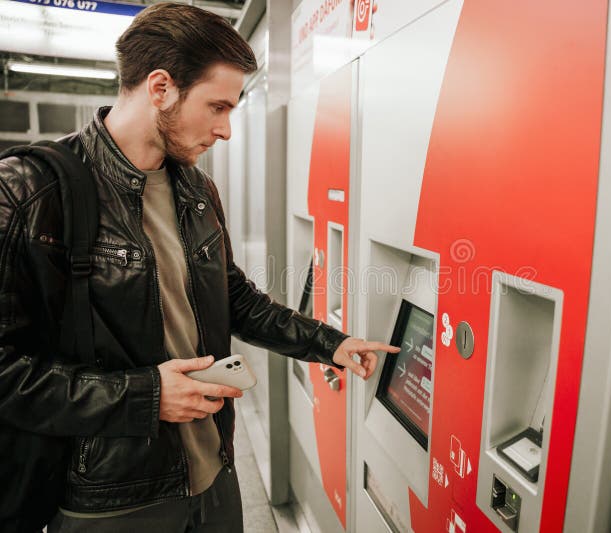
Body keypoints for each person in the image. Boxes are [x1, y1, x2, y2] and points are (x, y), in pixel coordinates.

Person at [0, 4, 398, 532]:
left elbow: (233, 298)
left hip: (213, 472)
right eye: (217, 107)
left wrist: (328, 343)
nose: (226, 130)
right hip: (113, 498)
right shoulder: (31, 192)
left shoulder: (194, 189)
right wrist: (145, 397)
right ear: (160, 87)